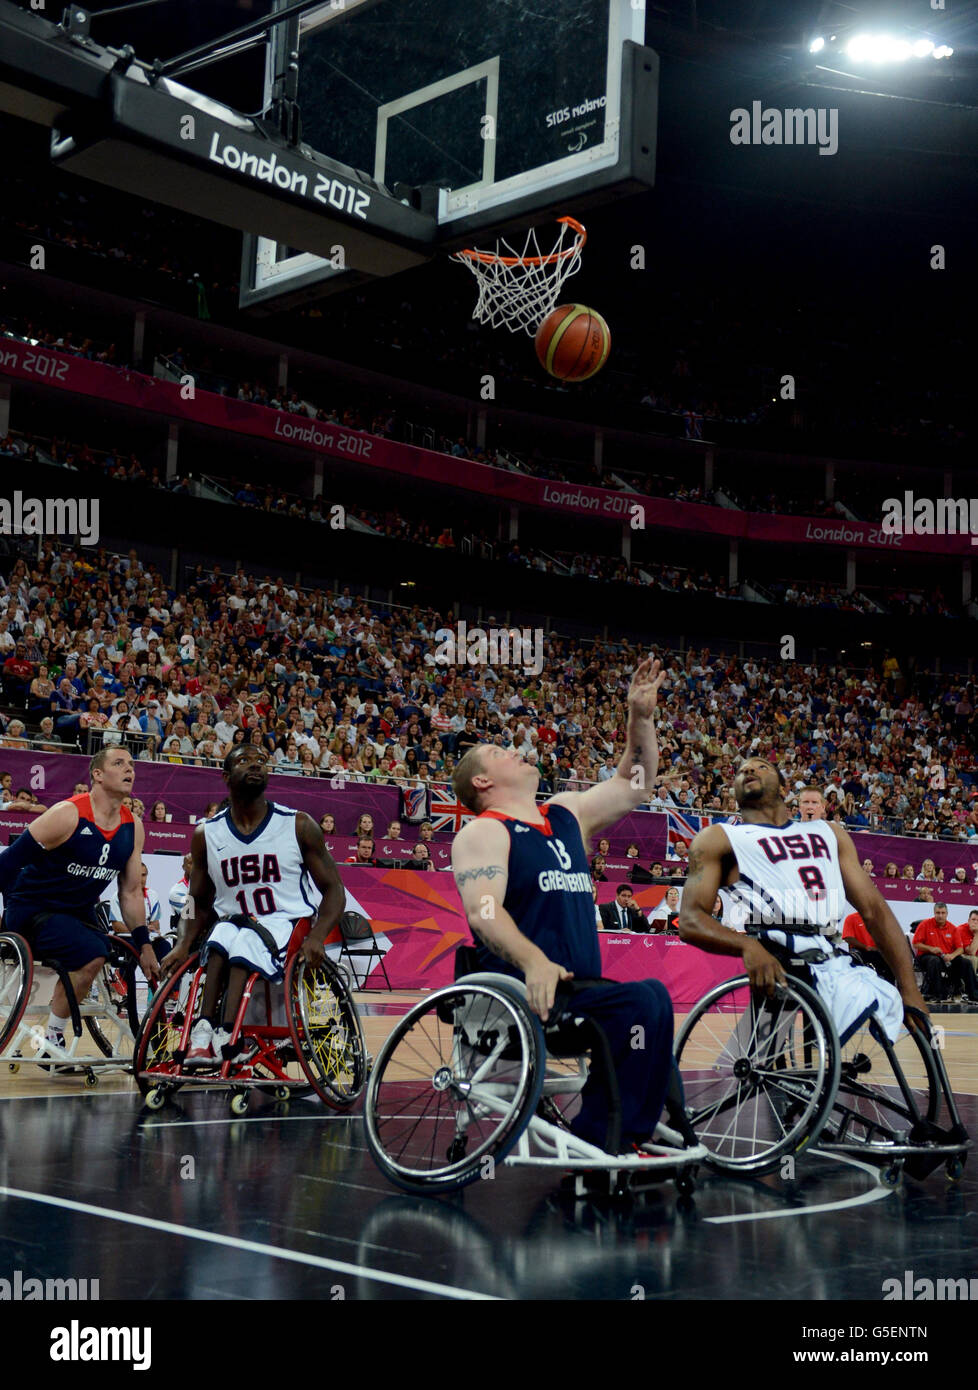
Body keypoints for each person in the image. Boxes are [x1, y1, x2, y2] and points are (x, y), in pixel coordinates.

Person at [450, 655, 680, 1157]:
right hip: (517, 994)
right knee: (641, 1004)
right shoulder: (483, 832)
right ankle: (604, 1136)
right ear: (482, 783)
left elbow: (635, 782)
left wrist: (639, 719)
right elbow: (482, 913)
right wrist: (532, 960)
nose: (513, 749)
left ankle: (621, 1130)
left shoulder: (565, 814)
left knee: (654, 999)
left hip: (577, 992)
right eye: (498, 751)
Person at [678, 757, 926, 1047]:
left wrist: (909, 988)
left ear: (784, 787)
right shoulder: (718, 838)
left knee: (882, 1000)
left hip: (830, 953)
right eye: (742, 770)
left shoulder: (830, 833)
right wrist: (748, 946)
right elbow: (690, 919)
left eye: (761, 766)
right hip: (776, 948)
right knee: (762, 1067)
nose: (748, 770)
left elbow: (874, 910)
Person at [162, 745, 345, 1067]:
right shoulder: (207, 833)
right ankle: (204, 1031)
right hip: (234, 924)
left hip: (288, 922)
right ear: (225, 776)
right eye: (244, 761)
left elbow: (334, 890)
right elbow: (195, 900)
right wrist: (182, 944)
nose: (256, 765)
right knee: (221, 935)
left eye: (261, 760)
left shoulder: (298, 825)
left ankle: (226, 1034)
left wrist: (317, 937)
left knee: (242, 937)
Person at [0, 746, 161, 1060]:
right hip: (33, 907)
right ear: (97, 775)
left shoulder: (133, 827)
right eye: (119, 763)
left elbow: (129, 893)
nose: (130, 769)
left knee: (112, 952)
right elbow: (6, 865)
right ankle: (51, 1040)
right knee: (90, 952)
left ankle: (51, 1034)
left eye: (131, 764)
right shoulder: (67, 814)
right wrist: (8, 914)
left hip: (76, 913)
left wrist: (144, 944)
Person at [105, 862, 169, 966]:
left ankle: (167, 979)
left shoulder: (153, 895)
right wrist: (142, 930)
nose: (141, 879)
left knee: (165, 947)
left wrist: (152, 928)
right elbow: (117, 926)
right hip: (127, 938)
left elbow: (156, 923)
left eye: (143, 875)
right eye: (137, 875)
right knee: (133, 951)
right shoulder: (116, 897)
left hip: (148, 937)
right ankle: (132, 980)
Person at [912, 904, 978, 1004]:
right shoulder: (925, 924)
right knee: (935, 960)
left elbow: (960, 949)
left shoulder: (952, 928)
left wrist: (952, 956)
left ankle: (973, 996)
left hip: (946, 957)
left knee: (966, 962)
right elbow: (916, 944)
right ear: (934, 913)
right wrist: (930, 948)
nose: (940, 915)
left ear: (947, 914)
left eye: (943, 913)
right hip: (926, 956)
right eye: (938, 913)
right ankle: (938, 995)